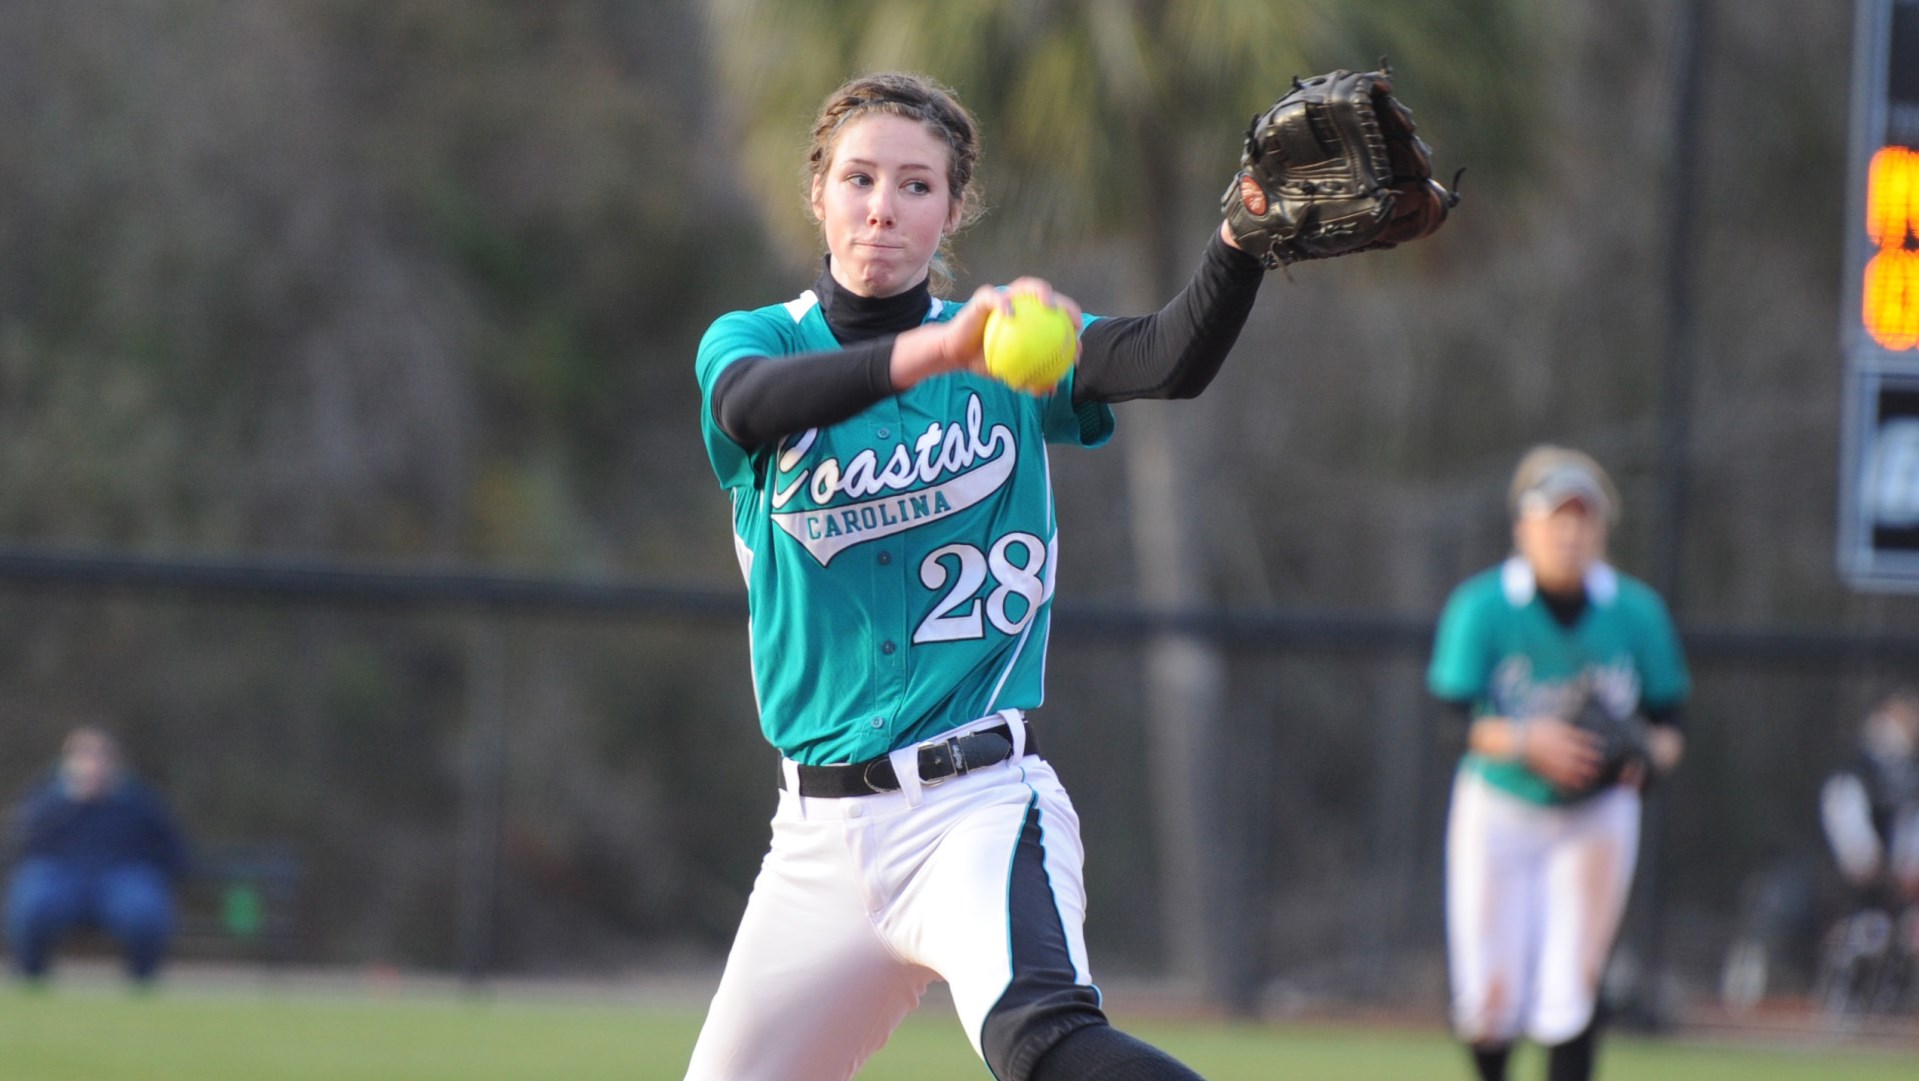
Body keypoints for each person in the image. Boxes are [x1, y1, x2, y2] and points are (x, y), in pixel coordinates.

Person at [685, 70, 1294, 1081]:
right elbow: (750, 405)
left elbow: (1164, 356)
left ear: (954, 208)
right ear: (818, 191)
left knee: (1040, 1041)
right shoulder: (758, 341)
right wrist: (938, 351)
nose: (882, 207)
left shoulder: (1005, 349)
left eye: (916, 185)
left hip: (973, 807)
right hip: (814, 839)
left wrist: (1239, 240)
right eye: (859, 178)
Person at [1426, 446, 1690, 1081]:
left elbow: (1671, 723)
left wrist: (1646, 758)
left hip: (1595, 813)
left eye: (1583, 518)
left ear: (1601, 530)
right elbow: (1451, 720)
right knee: (1488, 991)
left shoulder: (1636, 612)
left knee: (1573, 982)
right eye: (1556, 518)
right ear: (1525, 527)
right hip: (1500, 804)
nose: (1570, 533)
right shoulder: (1483, 606)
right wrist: (1526, 740)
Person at [5, 726, 188, 984]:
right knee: (34, 904)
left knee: (144, 910)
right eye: (84, 756)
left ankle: (143, 982)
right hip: (60, 875)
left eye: (101, 757)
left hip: (121, 877)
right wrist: (71, 802)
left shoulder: (139, 802)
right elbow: (21, 844)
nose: (93, 765)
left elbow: (172, 849)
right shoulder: (46, 801)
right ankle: (31, 977)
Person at [1815, 689, 1919, 1014]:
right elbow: (1856, 851)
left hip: (1898, 894)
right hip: (1857, 897)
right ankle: (1848, 1001)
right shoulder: (1854, 775)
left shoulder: (1908, 779)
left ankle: (1895, 1006)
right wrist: (1880, 873)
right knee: (1869, 934)